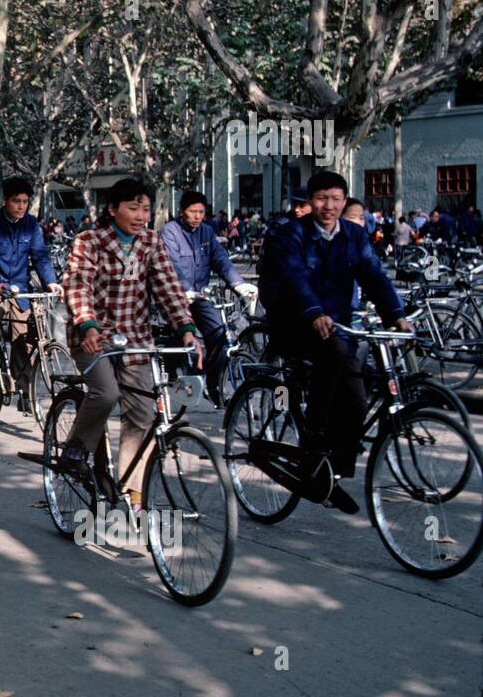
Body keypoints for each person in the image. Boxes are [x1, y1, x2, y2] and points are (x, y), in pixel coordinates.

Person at [257, 171, 410, 512]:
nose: (329, 206)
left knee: (357, 394)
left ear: (345, 201)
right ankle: (312, 446)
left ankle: (335, 472)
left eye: (336, 199)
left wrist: (395, 314)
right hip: (295, 322)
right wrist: (313, 311)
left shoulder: (355, 235)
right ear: (310, 201)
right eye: (322, 198)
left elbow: (374, 275)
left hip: (337, 324)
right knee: (335, 359)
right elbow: (294, 277)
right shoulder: (290, 234)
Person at [55, 177, 201, 511]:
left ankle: (133, 489)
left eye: (146, 209)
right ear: (112, 209)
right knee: (106, 393)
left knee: (142, 413)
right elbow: (78, 286)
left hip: (135, 338)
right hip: (92, 337)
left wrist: (186, 327)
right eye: (133, 207)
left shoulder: (150, 242)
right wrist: (88, 325)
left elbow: (167, 287)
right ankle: (77, 448)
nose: (140, 215)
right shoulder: (88, 241)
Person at [161, 190, 257, 406]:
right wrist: (184, 288)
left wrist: (239, 284)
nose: (197, 216)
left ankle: (214, 385)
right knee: (180, 340)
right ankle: (179, 378)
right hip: (176, 297)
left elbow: (221, 260)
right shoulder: (170, 232)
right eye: (192, 212)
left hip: (201, 296)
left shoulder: (206, 232)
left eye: (201, 212)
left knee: (220, 335)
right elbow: (173, 265)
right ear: (181, 211)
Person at [0, 177, 62, 401]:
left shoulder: (31, 224)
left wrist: (50, 280)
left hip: (19, 288)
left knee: (26, 334)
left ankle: (24, 389)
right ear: (5, 201)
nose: (21, 206)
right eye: (16, 201)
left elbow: (40, 255)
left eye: (24, 201)